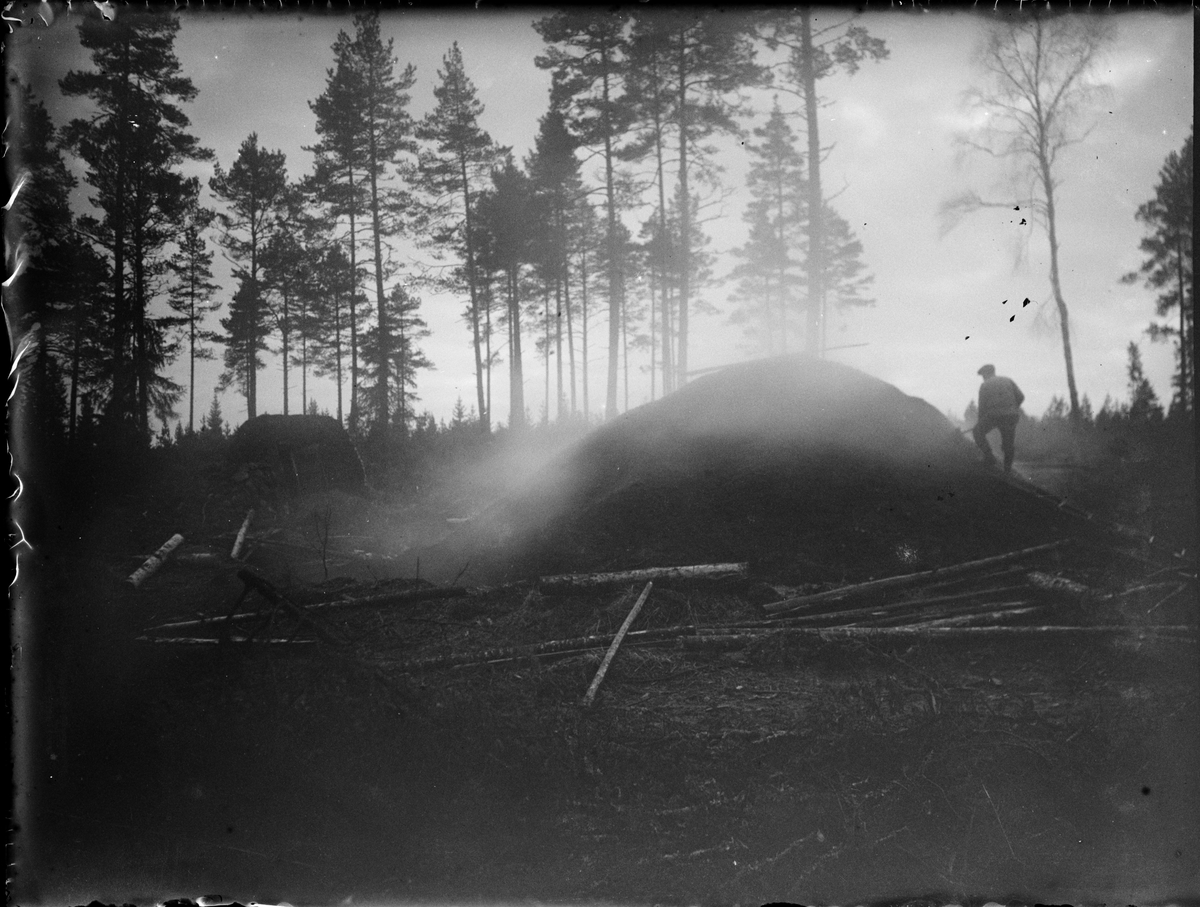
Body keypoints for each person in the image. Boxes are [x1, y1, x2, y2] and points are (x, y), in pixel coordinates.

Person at [972, 364, 1024, 473]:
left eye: (983, 375)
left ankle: (989, 457)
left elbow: (982, 408)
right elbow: (1021, 397)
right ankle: (1007, 471)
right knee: (1008, 444)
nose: (983, 377)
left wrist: (980, 423)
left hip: (994, 416)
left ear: (986, 374)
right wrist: (1012, 408)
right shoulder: (1008, 380)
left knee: (977, 432)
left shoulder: (985, 385)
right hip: (1011, 416)